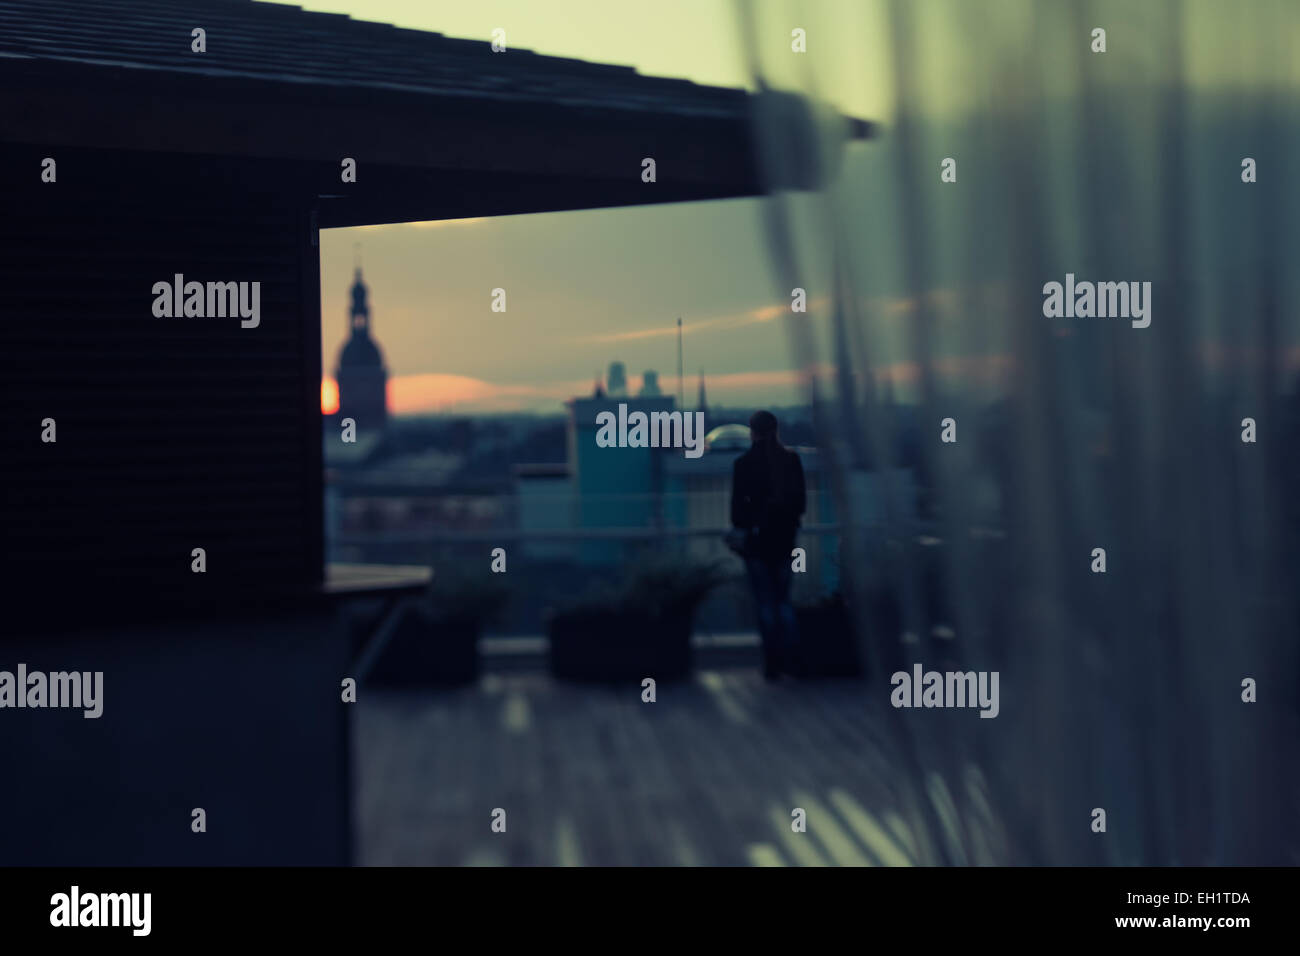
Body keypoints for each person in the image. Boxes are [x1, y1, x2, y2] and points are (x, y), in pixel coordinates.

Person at [730, 410, 806, 679]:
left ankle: (772, 664)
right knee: (783, 602)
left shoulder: (743, 464)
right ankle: (794, 661)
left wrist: (756, 517)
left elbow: (737, 514)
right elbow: (801, 505)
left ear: (753, 431)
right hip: (786, 541)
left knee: (765, 604)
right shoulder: (792, 460)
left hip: (757, 544)